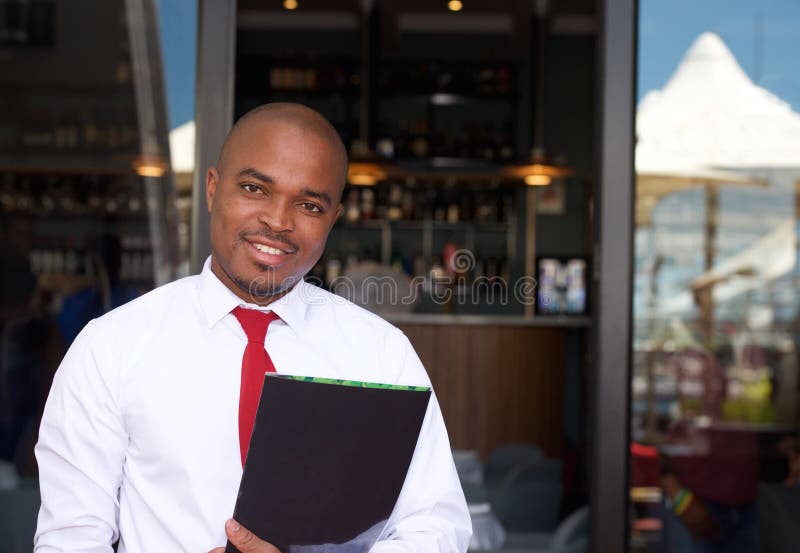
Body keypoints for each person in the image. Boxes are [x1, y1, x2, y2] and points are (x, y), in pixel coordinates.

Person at [34, 103, 472, 552]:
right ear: (211, 189)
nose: (278, 221)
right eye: (254, 188)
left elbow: (435, 526)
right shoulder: (111, 347)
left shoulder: (381, 354)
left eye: (309, 204)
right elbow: (69, 539)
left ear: (333, 219)